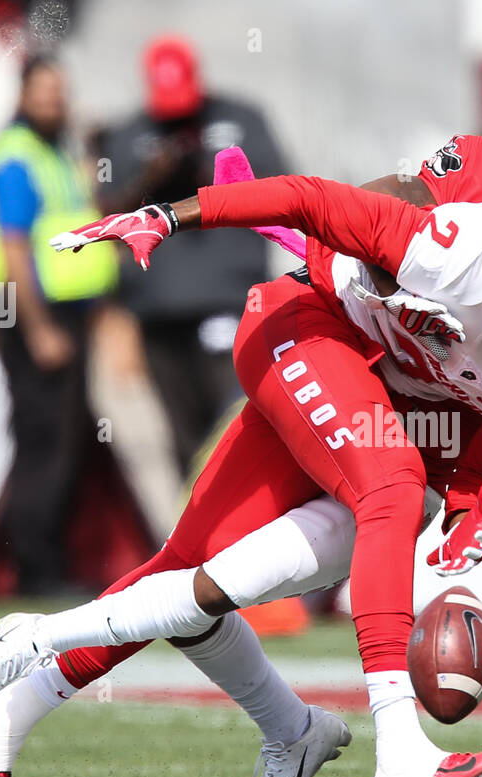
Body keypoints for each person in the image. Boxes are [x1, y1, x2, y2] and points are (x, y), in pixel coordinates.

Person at [0, 114, 482, 777]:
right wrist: (170, 218)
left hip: (404, 404)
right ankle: (398, 750)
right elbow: (329, 204)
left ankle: (40, 702)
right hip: (318, 325)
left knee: (205, 573)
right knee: (390, 489)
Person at [97, 36, 288, 482]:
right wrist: (152, 178)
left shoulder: (241, 120)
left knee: (235, 421)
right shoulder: (130, 134)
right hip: (158, 314)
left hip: (227, 301)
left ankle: (247, 526)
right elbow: (109, 215)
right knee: (183, 437)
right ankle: (198, 537)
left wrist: (214, 178)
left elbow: (282, 191)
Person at [0, 55, 119, 596]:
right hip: (34, 312)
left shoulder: (58, 151)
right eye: (44, 92)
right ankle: (35, 571)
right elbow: (13, 245)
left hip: (65, 311)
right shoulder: (16, 156)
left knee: (64, 434)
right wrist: (37, 329)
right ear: (22, 95)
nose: (55, 102)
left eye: (61, 92)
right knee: (43, 439)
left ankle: (47, 563)